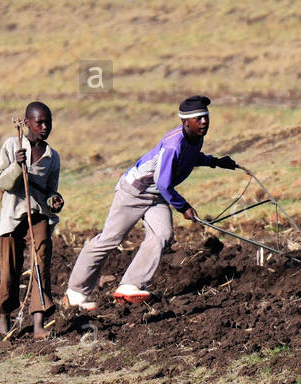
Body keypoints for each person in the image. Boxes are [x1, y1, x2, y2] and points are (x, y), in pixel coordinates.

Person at [64, 95, 237, 308]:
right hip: (135, 191)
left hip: (156, 195)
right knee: (110, 239)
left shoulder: (196, 138)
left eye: (206, 117)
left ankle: (130, 285)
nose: (204, 122)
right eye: (199, 118)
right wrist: (183, 207)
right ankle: (75, 293)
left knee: (162, 234)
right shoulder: (174, 144)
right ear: (185, 122)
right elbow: (163, 183)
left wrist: (215, 161)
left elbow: (191, 157)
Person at [0, 101, 62, 339]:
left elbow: (51, 191)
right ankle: (4, 321)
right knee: (9, 271)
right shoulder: (12, 145)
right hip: (12, 216)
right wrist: (17, 165)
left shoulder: (52, 157)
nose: (44, 127)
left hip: (38, 216)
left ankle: (38, 324)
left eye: (48, 122)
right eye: (39, 122)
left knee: (40, 266)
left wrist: (55, 201)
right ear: (27, 123)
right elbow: (3, 182)